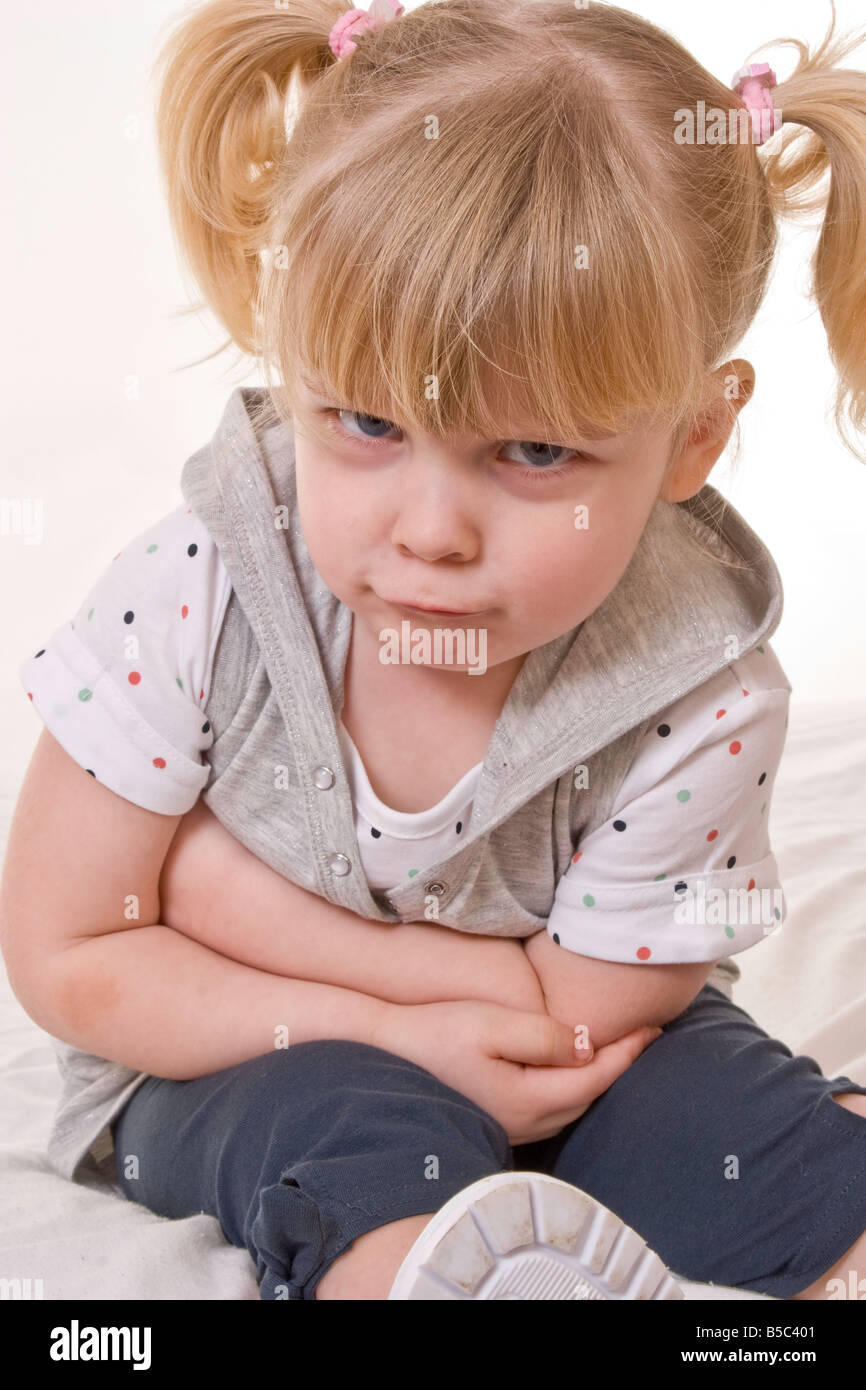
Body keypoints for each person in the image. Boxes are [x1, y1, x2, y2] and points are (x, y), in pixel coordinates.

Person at [5, 0, 866, 1300]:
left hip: (578, 1055)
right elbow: (70, 948)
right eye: (360, 421)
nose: (429, 531)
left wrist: (219, 894)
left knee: (732, 1118)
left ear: (693, 434)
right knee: (354, 1140)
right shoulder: (202, 589)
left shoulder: (701, 681)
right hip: (236, 1042)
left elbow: (573, 1019)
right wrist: (392, 1014)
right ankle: (435, 1277)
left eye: (532, 453)